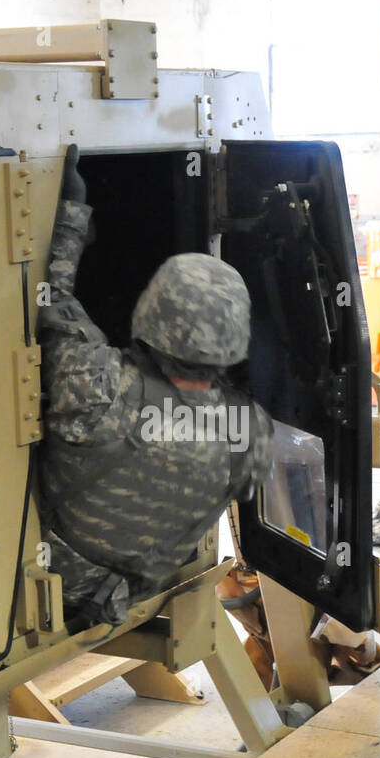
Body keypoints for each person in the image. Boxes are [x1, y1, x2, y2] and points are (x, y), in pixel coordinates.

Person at [39, 146, 273, 631]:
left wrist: (71, 216)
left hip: (59, 584)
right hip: (143, 584)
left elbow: (50, 297)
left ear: (152, 313)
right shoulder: (249, 430)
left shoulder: (97, 386)